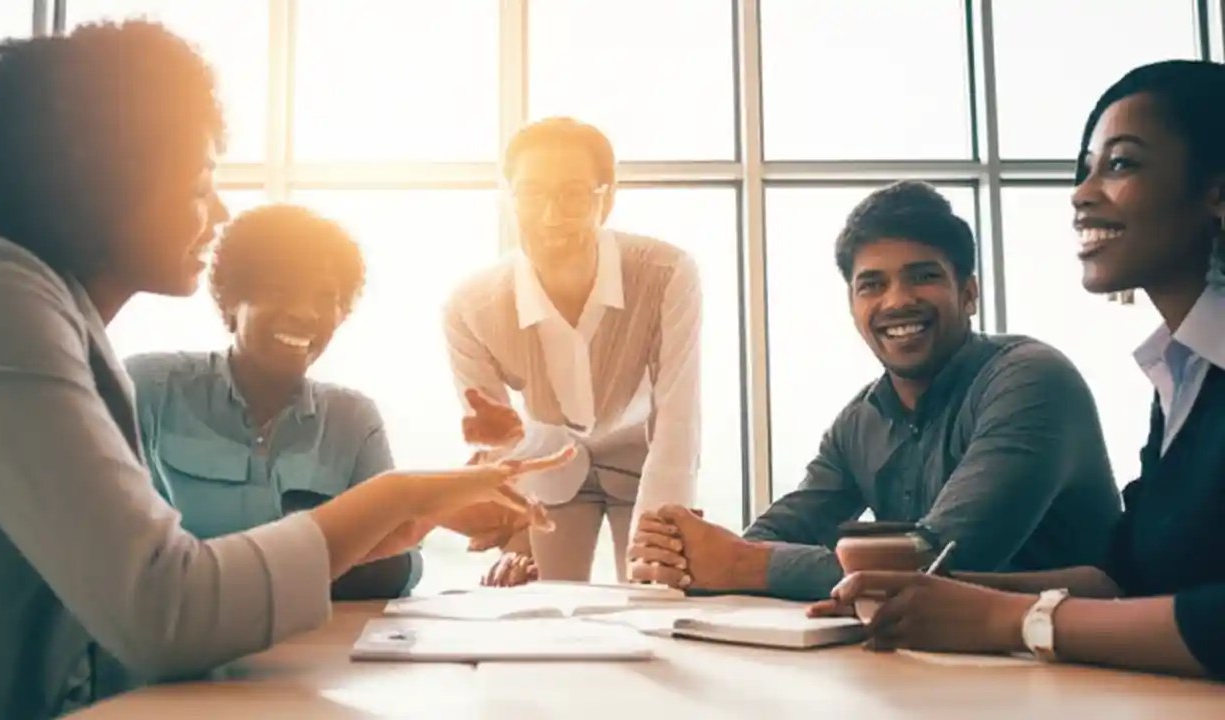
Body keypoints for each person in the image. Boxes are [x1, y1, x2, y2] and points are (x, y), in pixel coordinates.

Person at [0, 22, 565, 718]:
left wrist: (385, 527)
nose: (217, 212)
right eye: (199, 184)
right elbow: (164, 610)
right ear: (107, 181)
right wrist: (394, 498)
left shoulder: (44, 309)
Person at [815, 60, 1225, 681]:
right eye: (1084, 171)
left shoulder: (1030, 377)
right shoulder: (1182, 373)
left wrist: (1013, 619)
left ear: (1217, 191)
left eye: (1121, 164)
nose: (1082, 194)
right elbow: (1129, 577)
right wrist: (927, 596)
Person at [628, 181, 1121, 599]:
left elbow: (937, 560)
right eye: (872, 285)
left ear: (969, 293)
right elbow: (778, 534)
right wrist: (684, 554)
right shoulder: (859, 421)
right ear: (852, 305)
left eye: (923, 277)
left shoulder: (1030, 381)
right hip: (934, 659)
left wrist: (737, 564)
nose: (897, 301)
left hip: (1074, 662)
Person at [444, 117, 702, 586]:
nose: (550, 216)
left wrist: (662, 538)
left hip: (642, 458)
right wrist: (515, 528)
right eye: (532, 194)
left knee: (652, 596)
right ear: (509, 198)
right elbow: (497, 437)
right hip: (548, 461)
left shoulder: (667, 273)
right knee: (546, 607)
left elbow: (678, 418)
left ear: (607, 199)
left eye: (573, 195)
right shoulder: (470, 306)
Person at [127, 204, 421, 600]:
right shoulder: (148, 390)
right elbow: (115, 551)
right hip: (175, 632)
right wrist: (323, 555)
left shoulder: (353, 420)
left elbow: (400, 562)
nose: (304, 313)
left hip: (318, 638)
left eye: (325, 298)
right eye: (279, 291)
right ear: (230, 302)